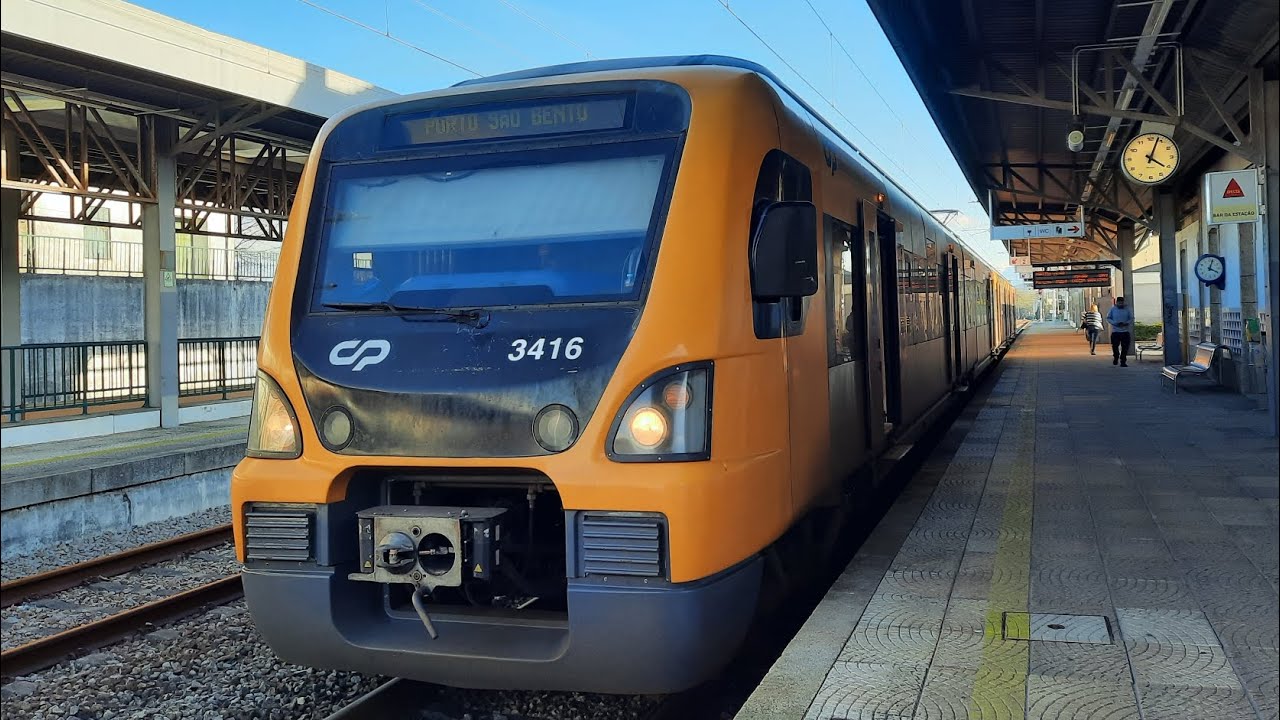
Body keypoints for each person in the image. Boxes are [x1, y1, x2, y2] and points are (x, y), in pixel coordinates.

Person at [1107, 296, 1134, 367]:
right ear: (1116, 303)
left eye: (1122, 303)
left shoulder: (1127, 309)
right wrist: (1114, 323)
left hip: (1125, 331)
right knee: (1115, 346)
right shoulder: (1113, 309)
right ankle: (1116, 357)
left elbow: (1131, 318)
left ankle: (1123, 361)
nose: (1120, 304)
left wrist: (1126, 323)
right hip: (1115, 332)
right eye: (1119, 303)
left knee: (1125, 347)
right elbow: (1108, 318)